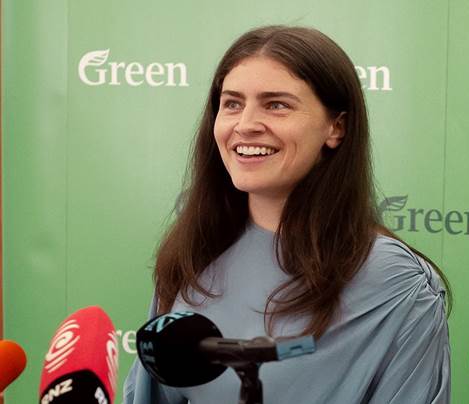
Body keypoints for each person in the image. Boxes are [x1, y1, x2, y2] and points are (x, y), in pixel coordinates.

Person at [124, 25, 451, 404]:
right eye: (232, 104)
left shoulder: (394, 282)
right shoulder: (195, 252)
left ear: (336, 127)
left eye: (276, 104)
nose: (246, 125)